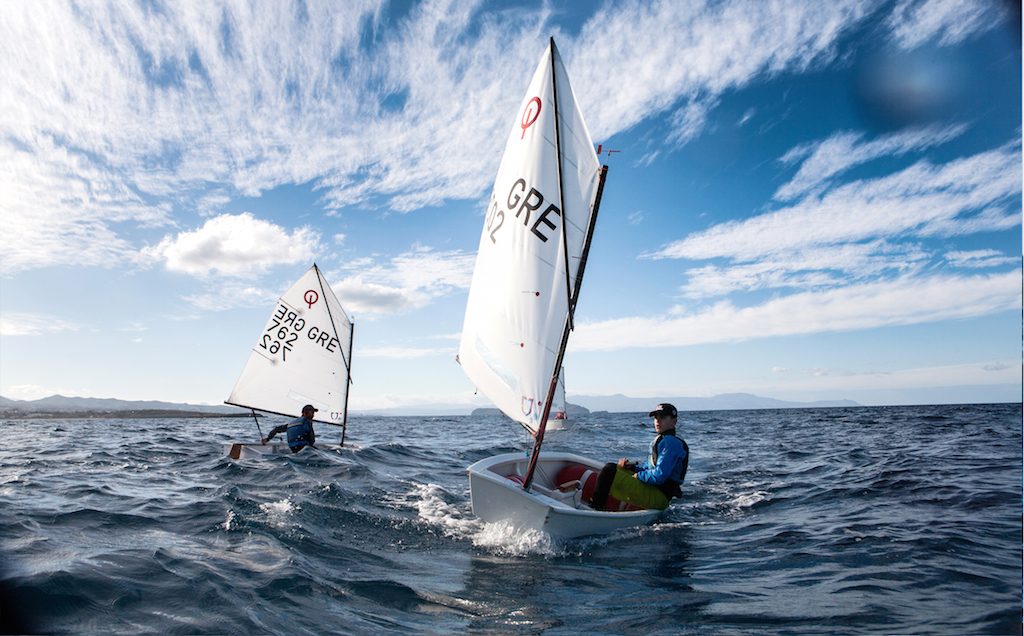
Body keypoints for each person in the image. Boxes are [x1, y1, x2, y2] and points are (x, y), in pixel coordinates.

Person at [592, 402, 689, 511]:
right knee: (616, 467)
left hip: (659, 496)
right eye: (656, 417)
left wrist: (639, 476)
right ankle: (604, 506)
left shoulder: (671, 443)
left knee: (609, 470)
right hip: (654, 491)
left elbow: (659, 476)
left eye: (662, 417)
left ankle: (596, 509)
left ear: (673, 421)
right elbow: (649, 470)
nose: (658, 420)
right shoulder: (661, 441)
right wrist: (633, 468)